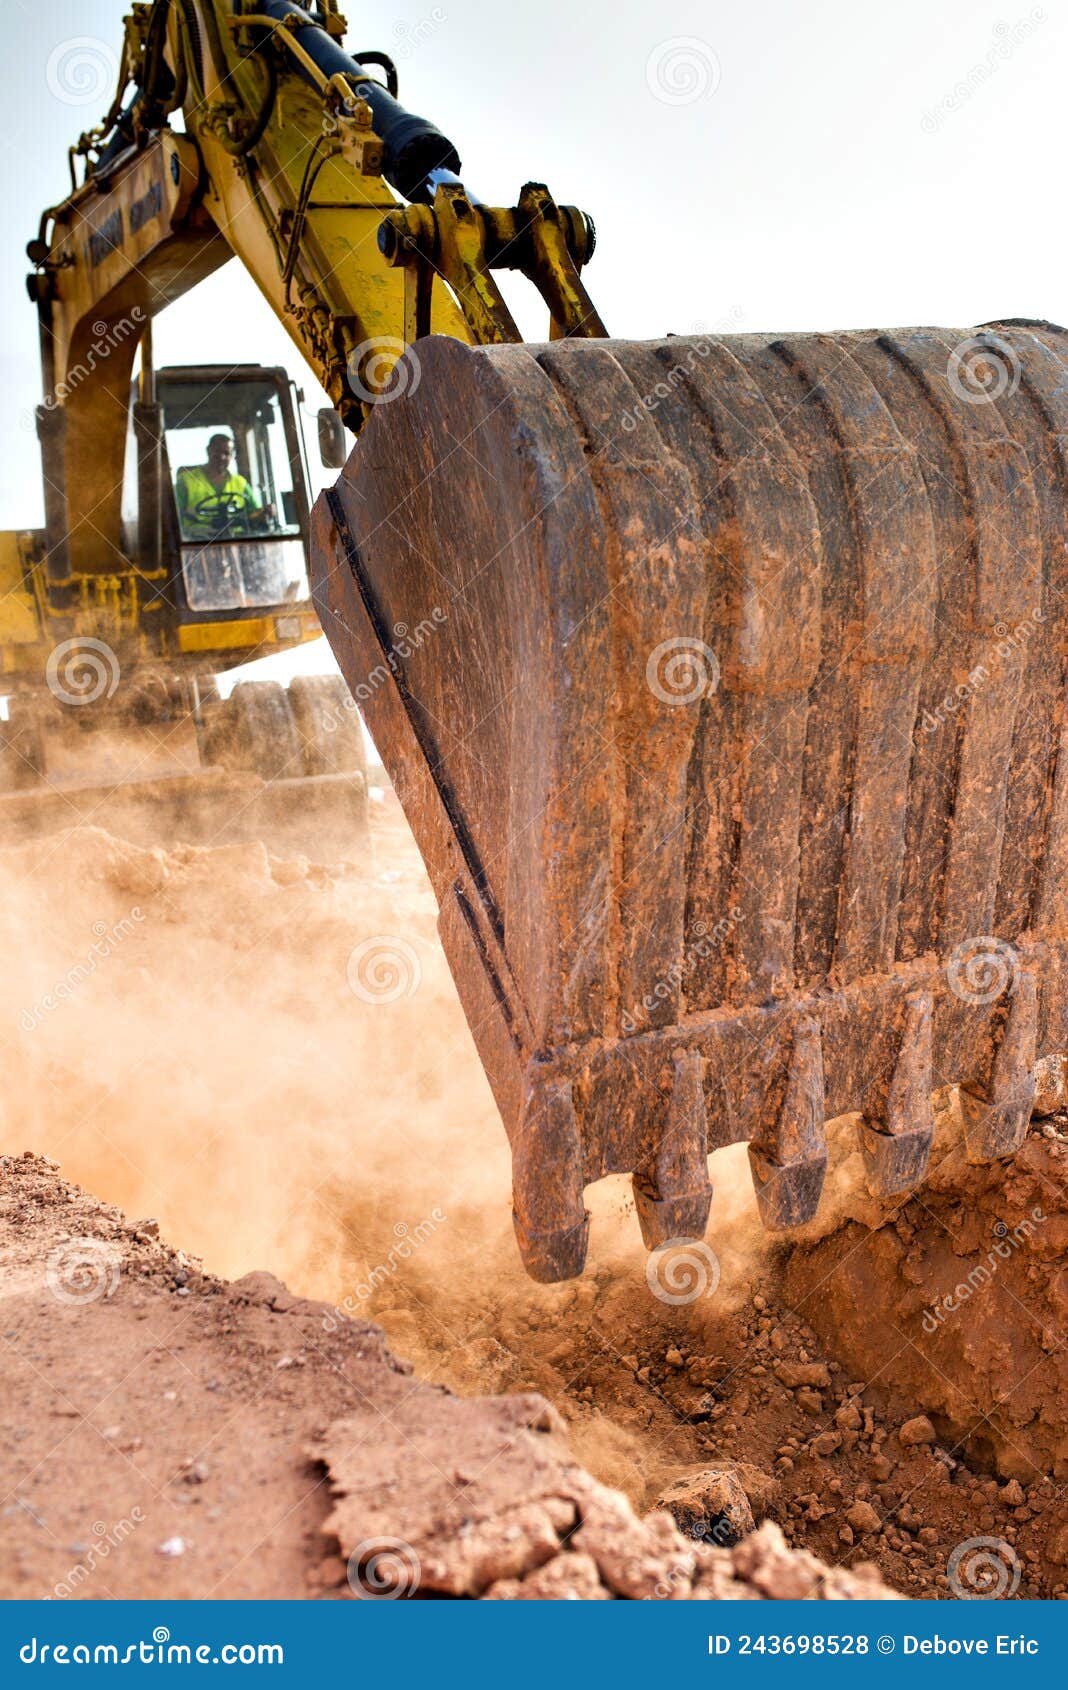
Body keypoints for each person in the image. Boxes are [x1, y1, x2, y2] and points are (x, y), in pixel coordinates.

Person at [174, 434, 274, 539]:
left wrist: (266, 512)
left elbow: (255, 513)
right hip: (196, 542)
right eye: (217, 452)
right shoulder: (185, 481)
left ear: (232, 456)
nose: (221, 457)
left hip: (237, 541)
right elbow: (174, 517)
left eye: (226, 453)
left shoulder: (240, 483)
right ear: (208, 451)